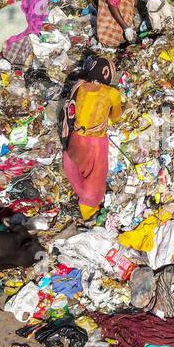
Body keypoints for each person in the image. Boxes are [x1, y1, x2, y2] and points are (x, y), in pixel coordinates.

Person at [61, 56, 123, 222]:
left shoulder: (79, 86)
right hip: (94, 142)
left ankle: (77, 189)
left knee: (79, 168)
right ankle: (88, 210)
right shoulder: (112, 93)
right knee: (95, 179)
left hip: (75, 138)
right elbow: (116, 117)